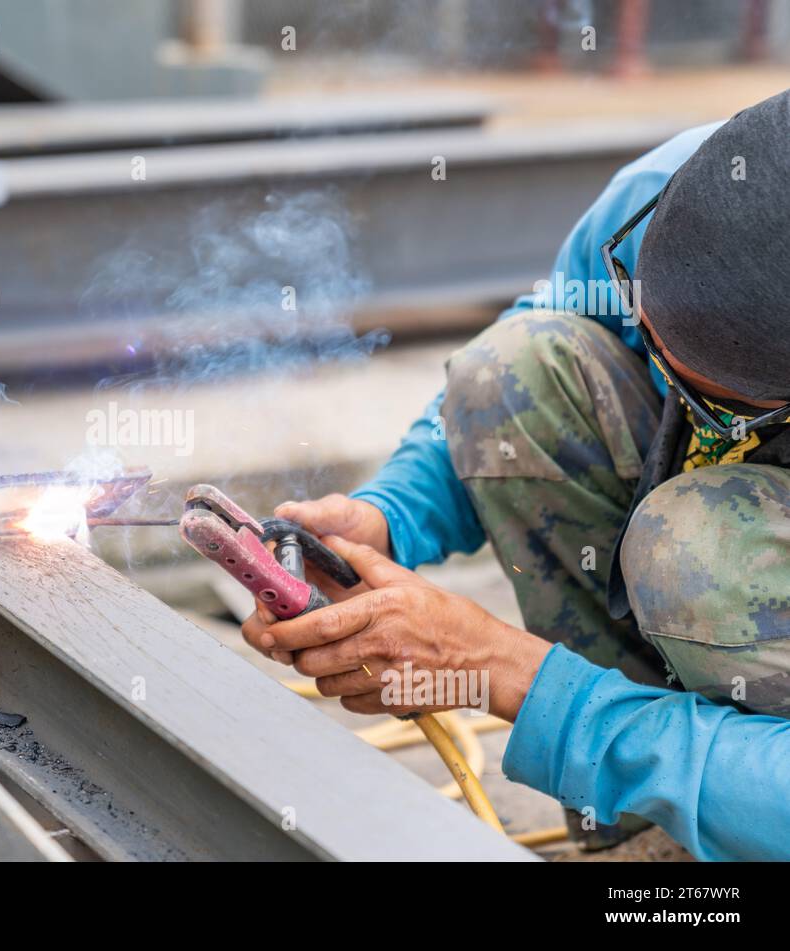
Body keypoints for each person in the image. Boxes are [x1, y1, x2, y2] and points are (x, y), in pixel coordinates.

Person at [242, 89, 790, 861]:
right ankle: (653, 832)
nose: (658, 368)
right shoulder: (680, 189)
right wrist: (392, 512)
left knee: (695, 551)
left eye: (705, 392)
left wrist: (524, 683)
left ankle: (736, 819)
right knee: (513, 368)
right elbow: (522, 374)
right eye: (652, 338)